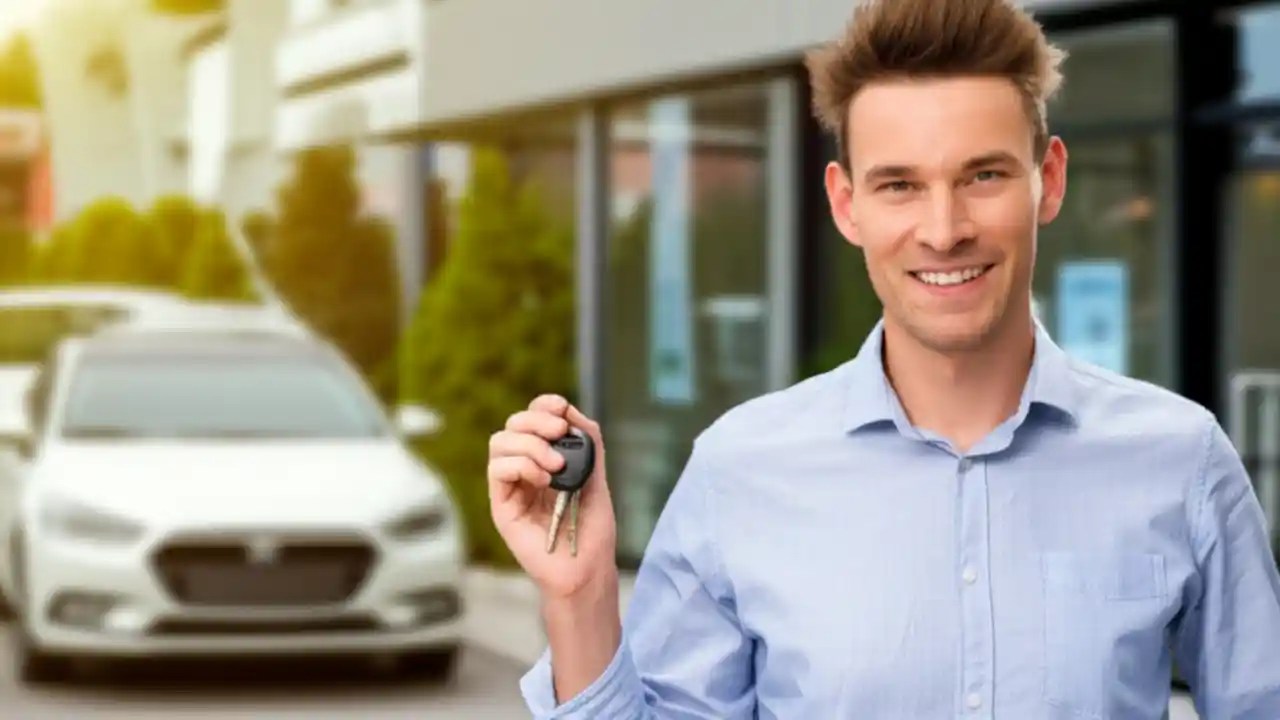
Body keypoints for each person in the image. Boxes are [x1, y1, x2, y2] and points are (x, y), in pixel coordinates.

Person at [486, 0, 1280, 716]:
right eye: (900, 185)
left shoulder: (1181, 460)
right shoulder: (740, 471)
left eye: (983, 175)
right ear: (846, 203)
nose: (944, 229)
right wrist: (583, 597)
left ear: (1049, 179)